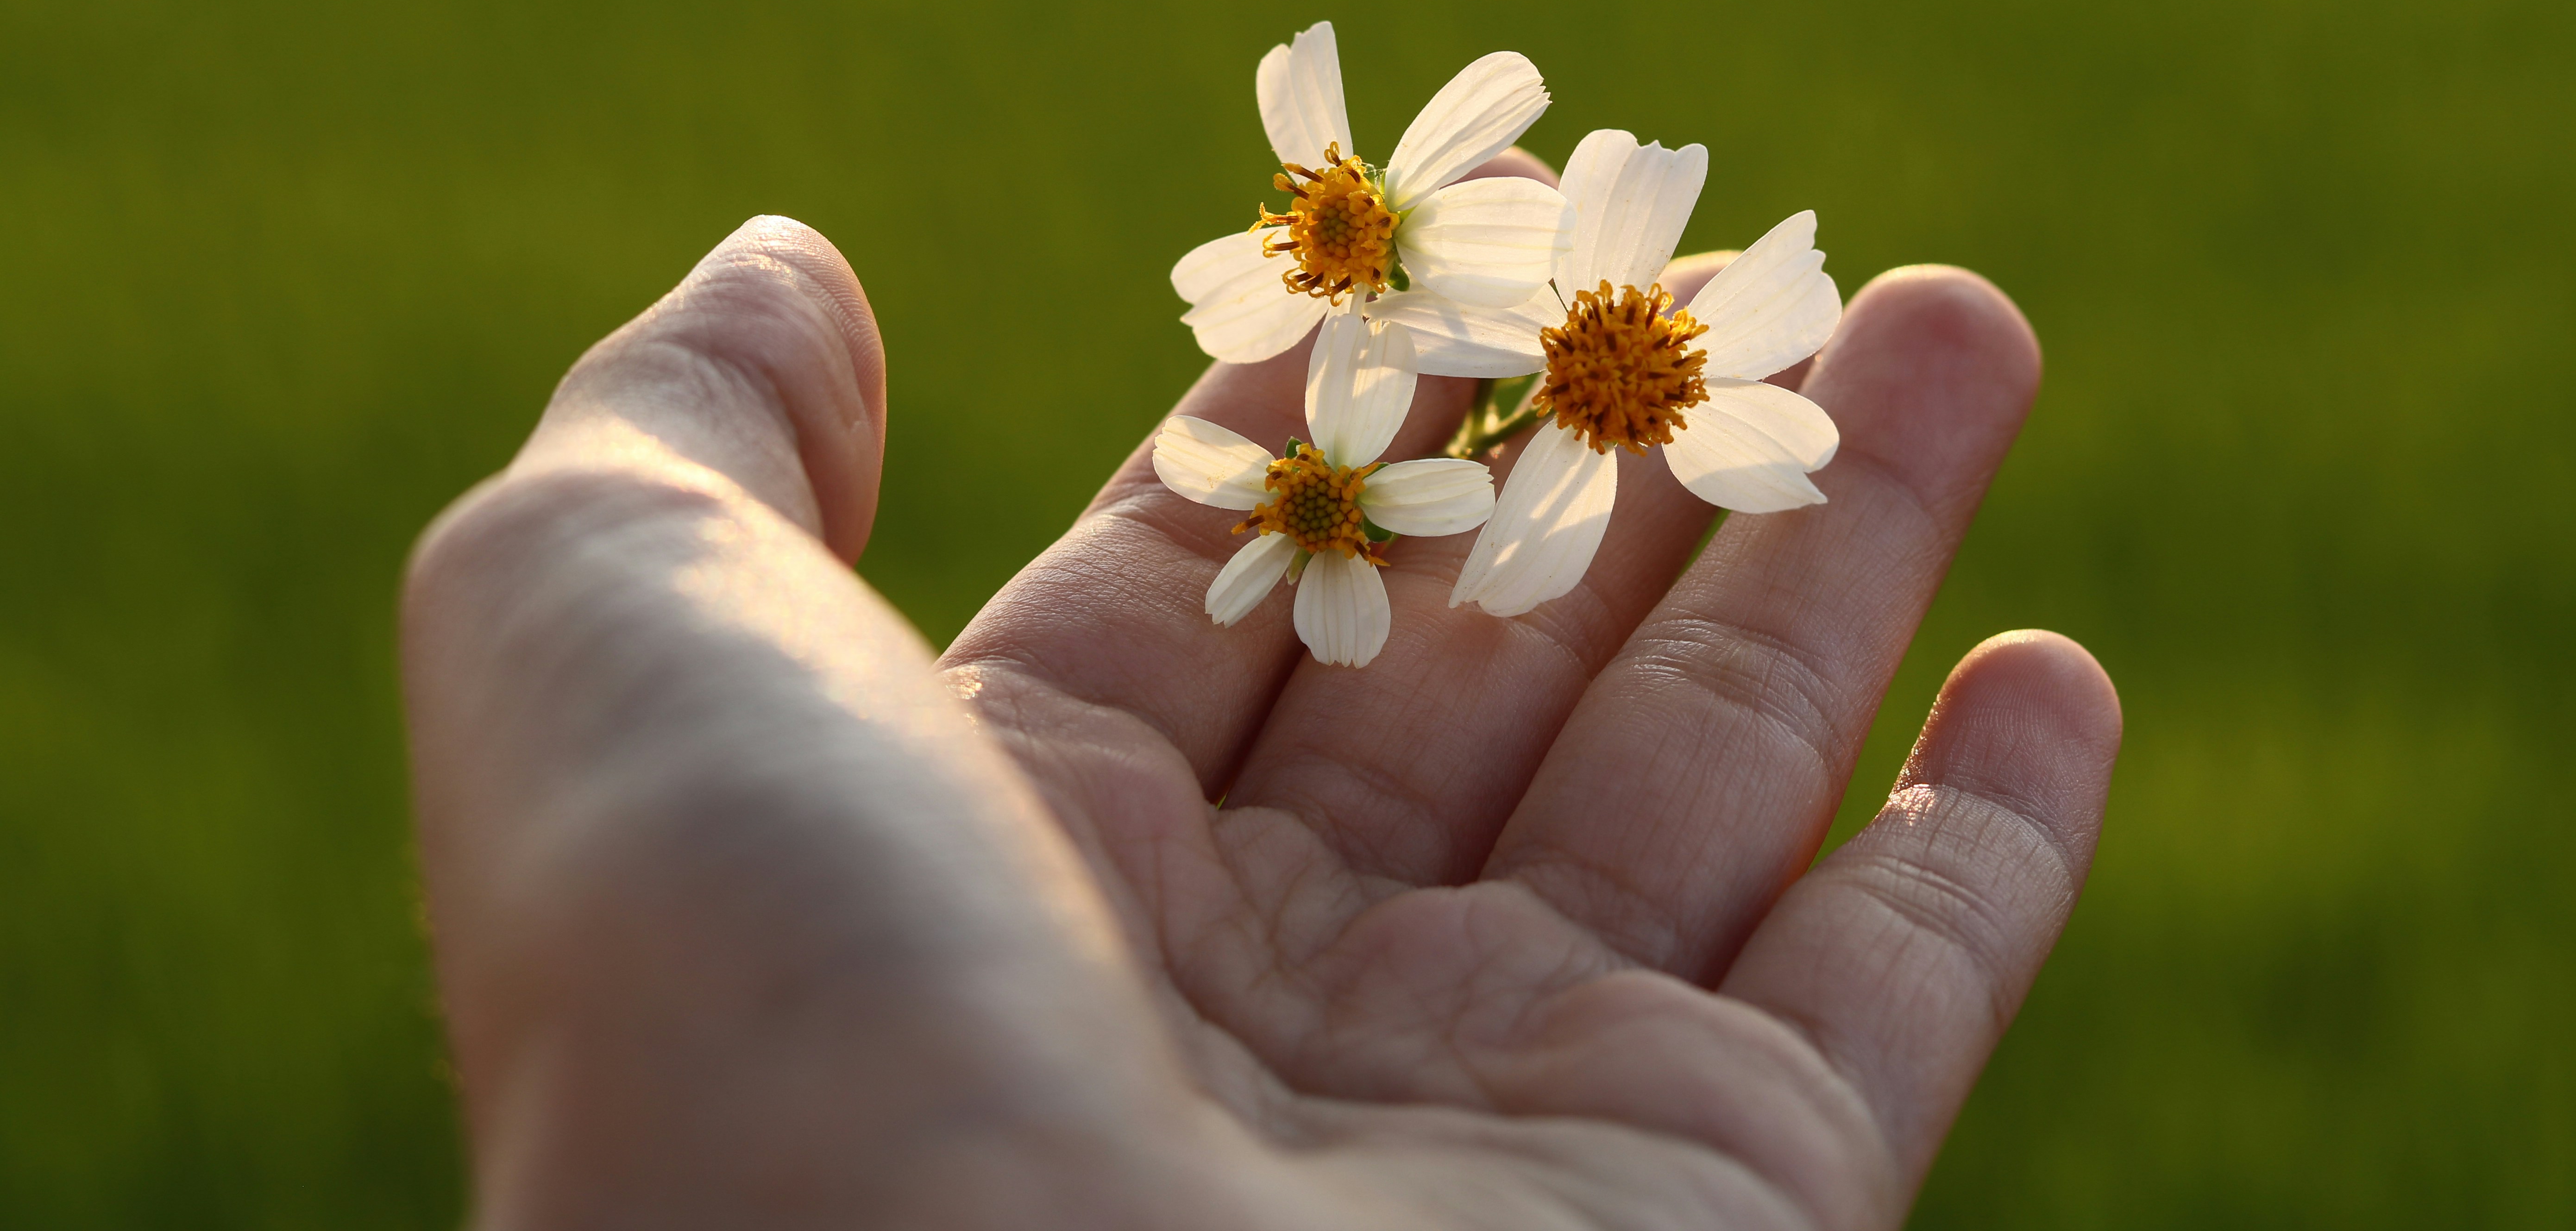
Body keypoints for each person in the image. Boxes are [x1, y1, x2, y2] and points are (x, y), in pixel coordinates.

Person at [402, 162, 2121, 1228]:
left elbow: (1664, 427)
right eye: (1603, 366)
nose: (1606, 370)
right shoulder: (1416, 410)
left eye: (1614, 376)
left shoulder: (1535, 399)